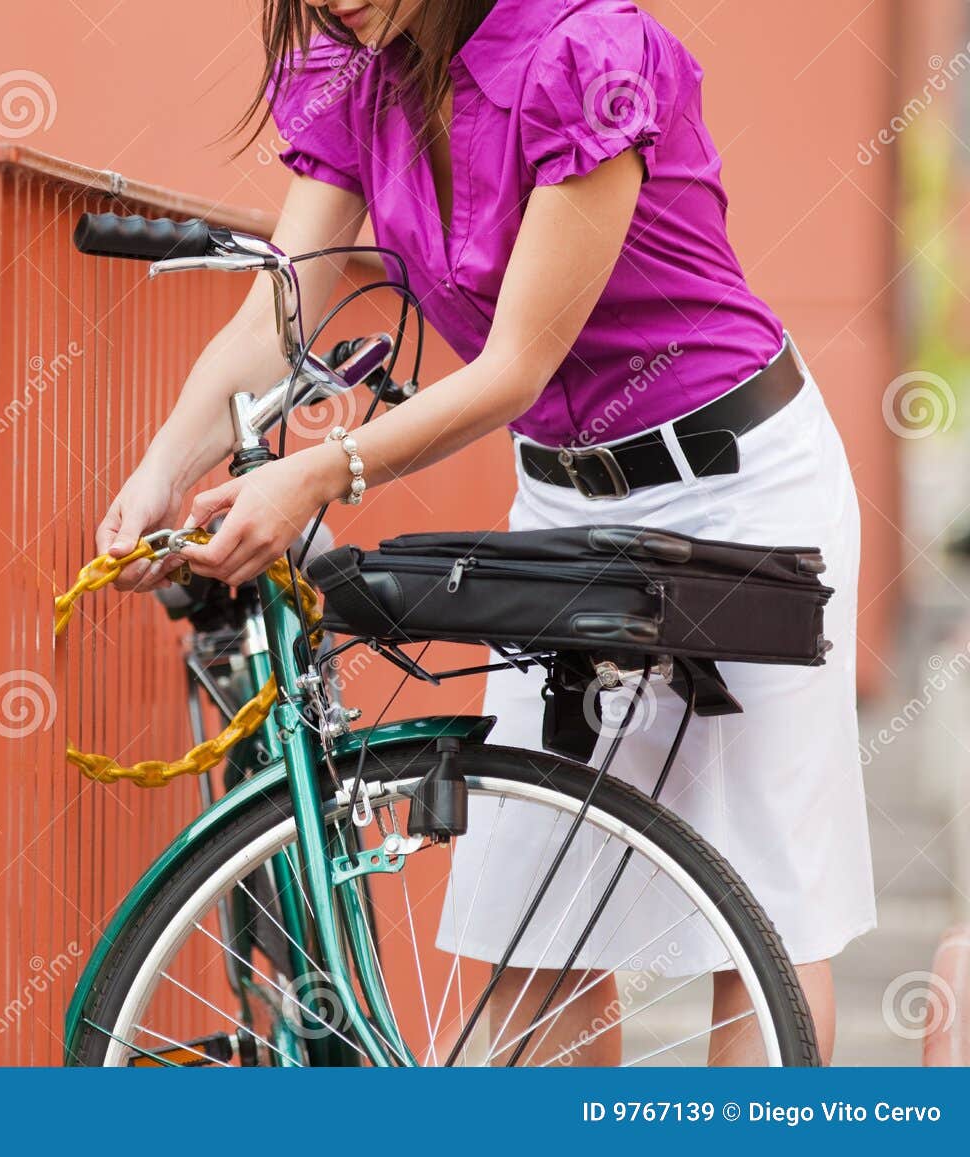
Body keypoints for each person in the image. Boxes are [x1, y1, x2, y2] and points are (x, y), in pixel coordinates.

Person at [92, 0, 874, 1064]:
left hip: (733, 483)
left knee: (761, 926)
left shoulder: (585, 53)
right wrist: (153, 476)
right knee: (530, 927)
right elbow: (275, 316)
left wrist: (320, 470)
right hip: (563, 493)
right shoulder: (356, 68)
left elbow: (515, 366)